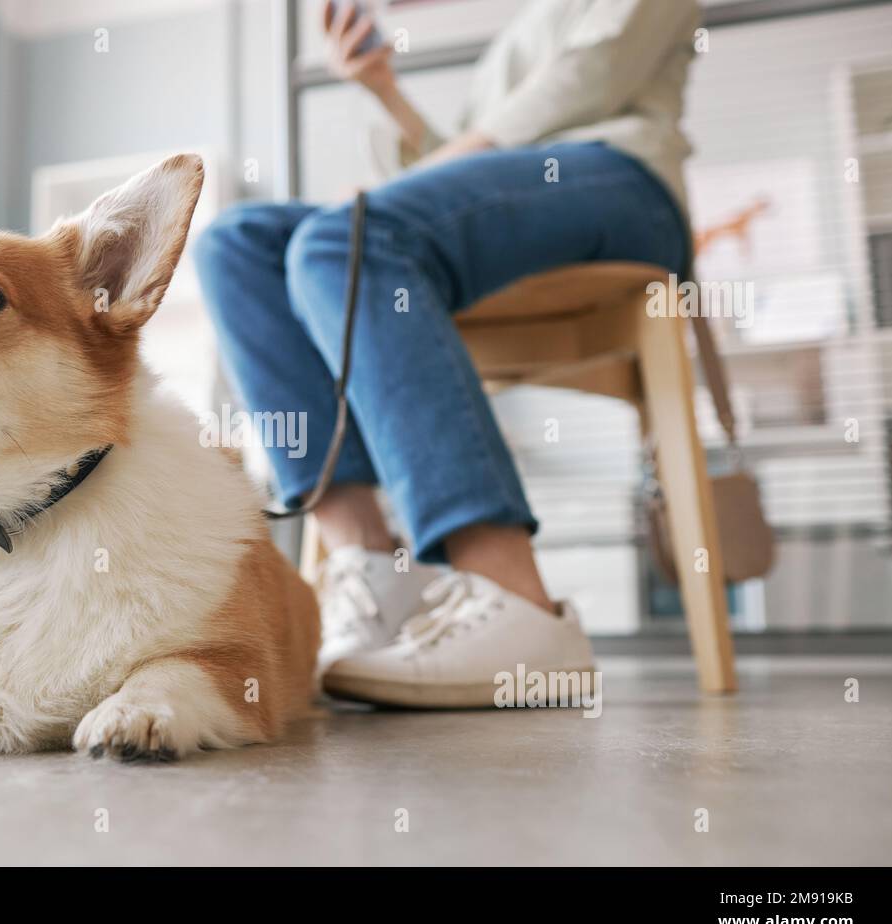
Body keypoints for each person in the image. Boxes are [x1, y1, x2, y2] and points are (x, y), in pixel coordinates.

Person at [194, 0, 701, 707]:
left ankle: (516, 600)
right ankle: (375, 574)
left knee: (344, 240)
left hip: (622, 185)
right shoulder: (529, 24)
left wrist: (387, 192)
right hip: (534, 186)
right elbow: (468, 158)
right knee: (237, 243)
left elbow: (585, 83)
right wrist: (383, 89)